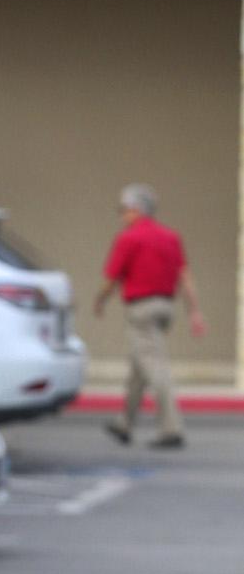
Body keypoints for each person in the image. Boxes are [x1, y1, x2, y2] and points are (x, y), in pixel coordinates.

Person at [94, 184, 205, 448]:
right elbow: (185, 276)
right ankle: (124, 423)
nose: (122, 215)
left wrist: (100, 301)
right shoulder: (170, 237)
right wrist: (194, 311)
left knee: (155, 368)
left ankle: (171, 429)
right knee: (139, 367)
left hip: (141, 309)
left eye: (124, 209)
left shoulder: (129, 238)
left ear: (136, 209)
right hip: (165, 307)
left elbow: (111, 278)